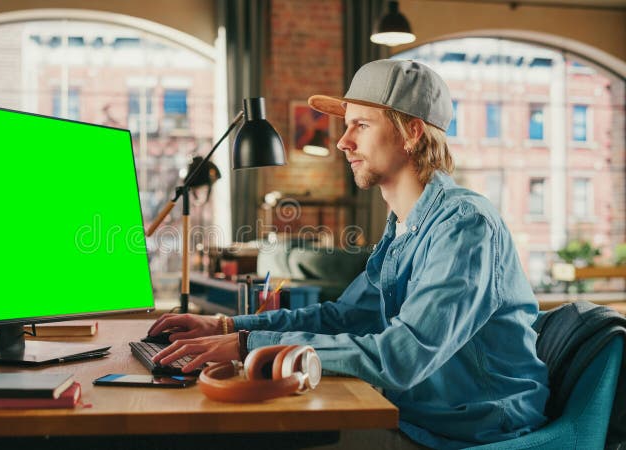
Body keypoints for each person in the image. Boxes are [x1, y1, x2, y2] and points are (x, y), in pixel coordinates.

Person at [148, 59, 549, 449]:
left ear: (411, 132)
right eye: (346, 125)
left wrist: (247, 344)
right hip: (422, 413)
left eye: (361, 124)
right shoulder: (403, 227)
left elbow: (400, 357)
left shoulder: (465, 226)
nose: (343, 141)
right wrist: (225, 325)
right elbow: (343, 316)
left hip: (470, 427)